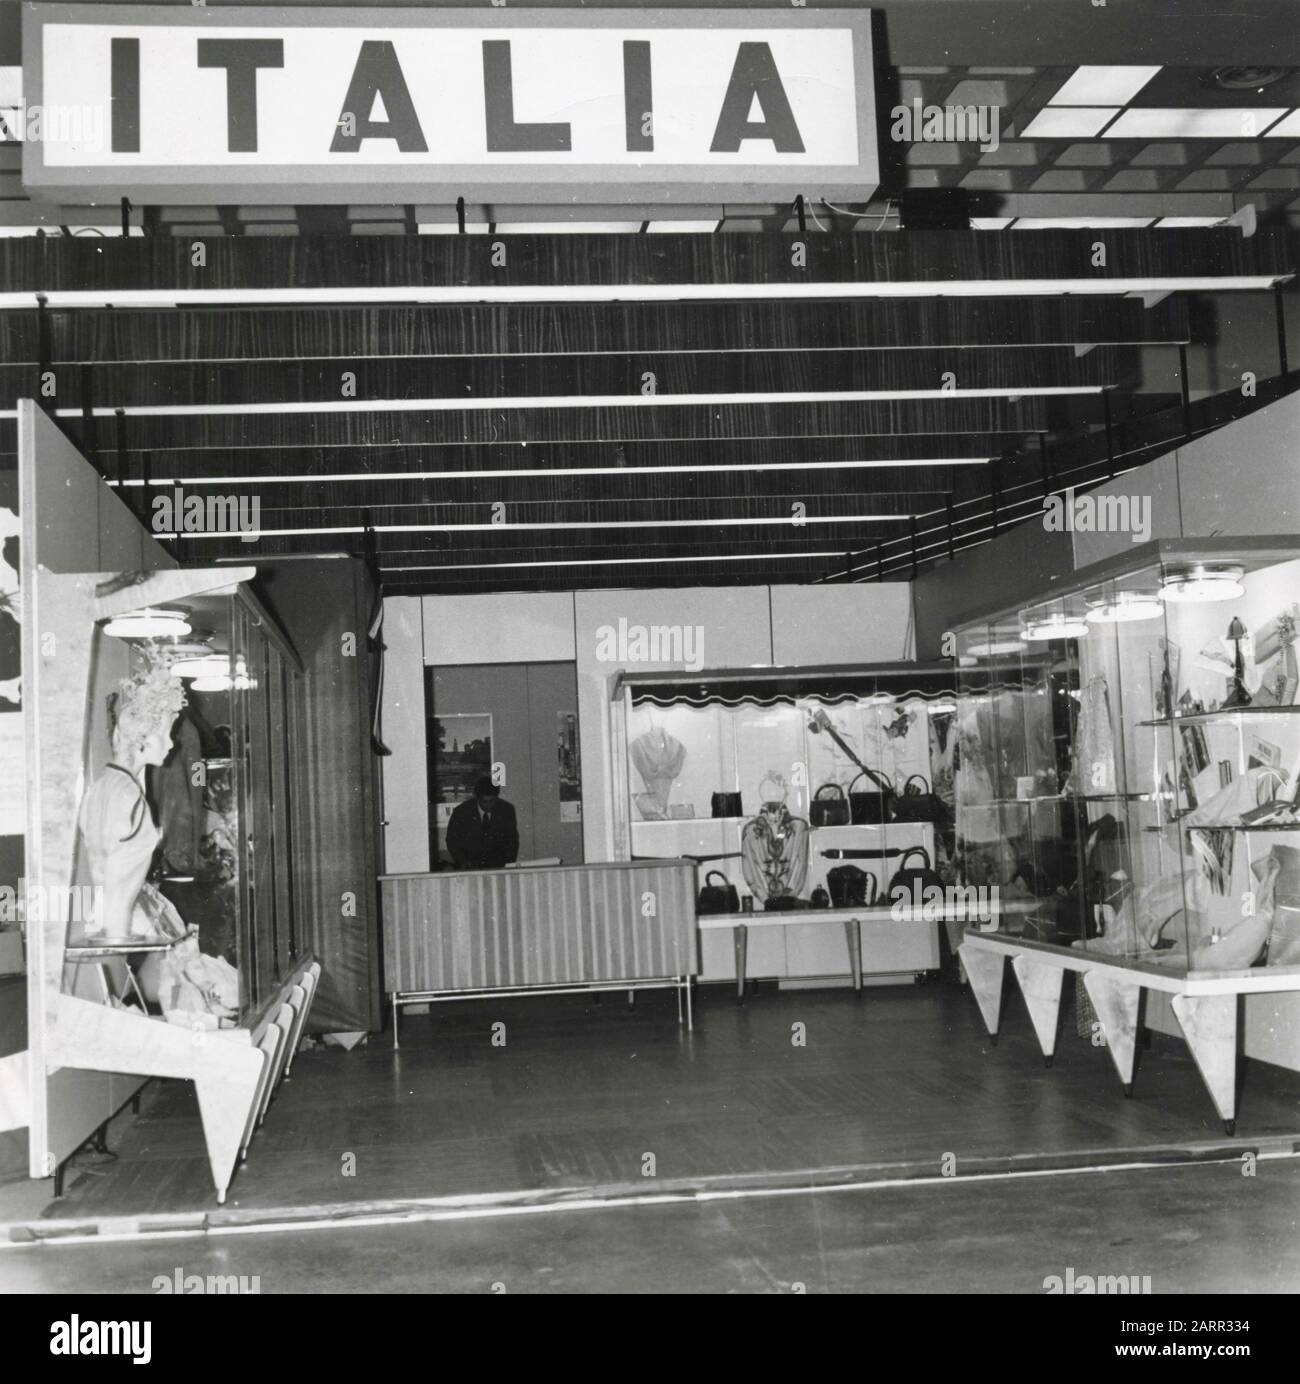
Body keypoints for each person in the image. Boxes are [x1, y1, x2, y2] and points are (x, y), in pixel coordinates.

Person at [445, 776, 519, 869]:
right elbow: (452, 840)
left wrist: (508, 864)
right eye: (484, 802)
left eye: (492, 801)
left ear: (496, 797)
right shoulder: (461, 812)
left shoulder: (506, 810)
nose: (488, 805)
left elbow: (512, 841)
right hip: (470, 866)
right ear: (477, 798)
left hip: (499, 866)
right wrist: (463, 862)